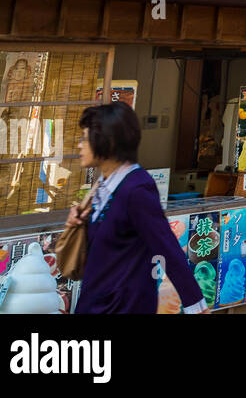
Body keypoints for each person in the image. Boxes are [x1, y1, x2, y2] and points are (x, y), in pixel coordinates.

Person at [69, 103, 207, 314]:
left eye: (85, 138)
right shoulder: (105, 185)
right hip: (97, 302)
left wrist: (196, 305)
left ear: (108, 141)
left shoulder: (137, 189)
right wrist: (80, 224)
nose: (80, 145)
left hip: (123, 306)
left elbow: (166, 246)